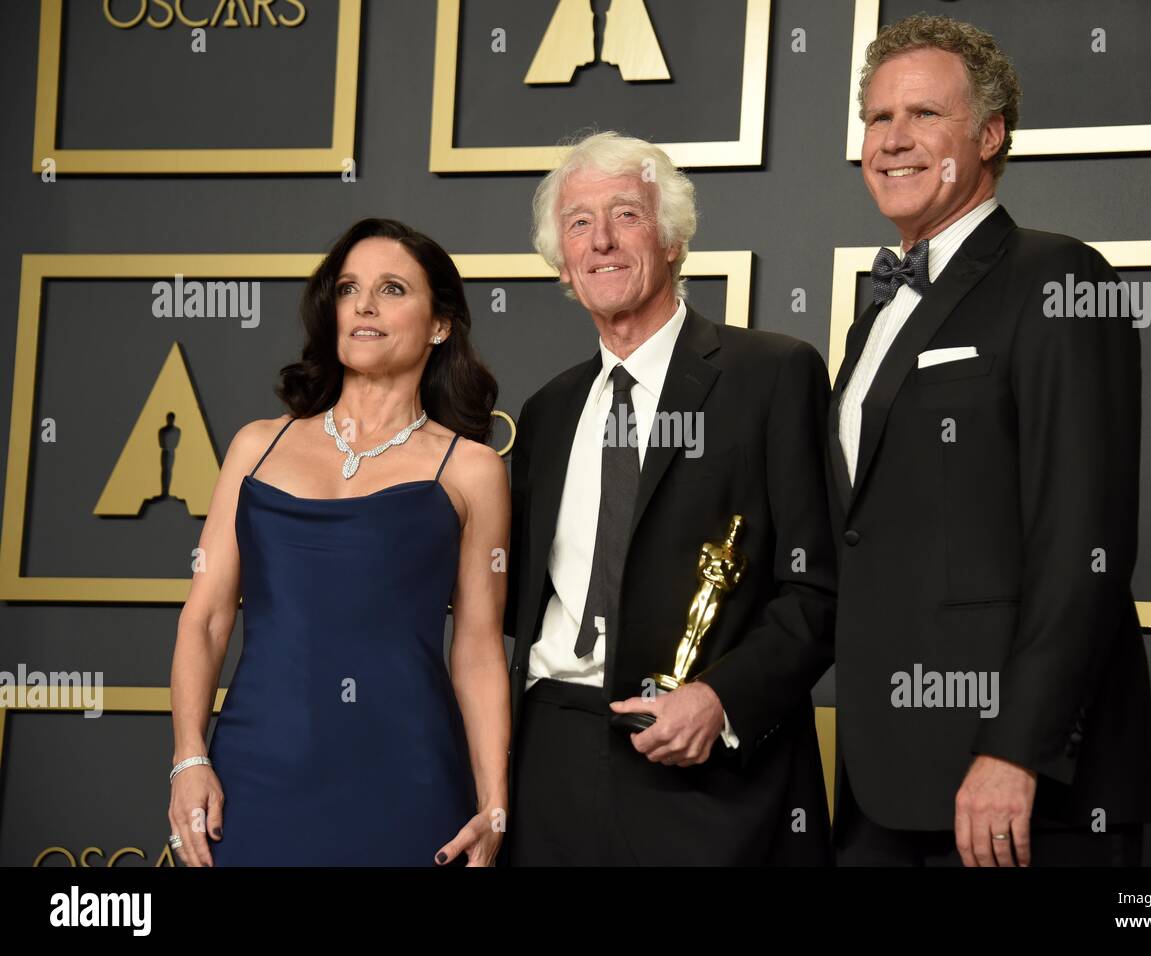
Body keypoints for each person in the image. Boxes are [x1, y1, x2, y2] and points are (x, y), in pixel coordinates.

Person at [830, 14, 1151, 867]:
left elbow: (1083, 537)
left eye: (923, 116)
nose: (893, 140)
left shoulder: (1061, 277)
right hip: (885, 779)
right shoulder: (878, 312)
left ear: (989, 134)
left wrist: (1017, 749)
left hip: (1017, 788)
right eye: (877, 118)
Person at [504, 131, 837, 865]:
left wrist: (721, 702)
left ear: (674, 238)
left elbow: (819, 588)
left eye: (626, 214)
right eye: (579, 224)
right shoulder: (548, 412)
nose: (602, 242)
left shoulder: (772, 375)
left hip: (706, 771)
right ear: (561, 261)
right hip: (550, 753)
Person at [167, 218, 511, 866]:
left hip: (410, 777)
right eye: (350, 288)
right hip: (255, 770)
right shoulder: (256, 445)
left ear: (440, 324)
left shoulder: (471, 470)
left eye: (392, 289)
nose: (364, 305)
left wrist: (493, 801)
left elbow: (478, 648)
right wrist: (188, 757)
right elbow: (207, 618)